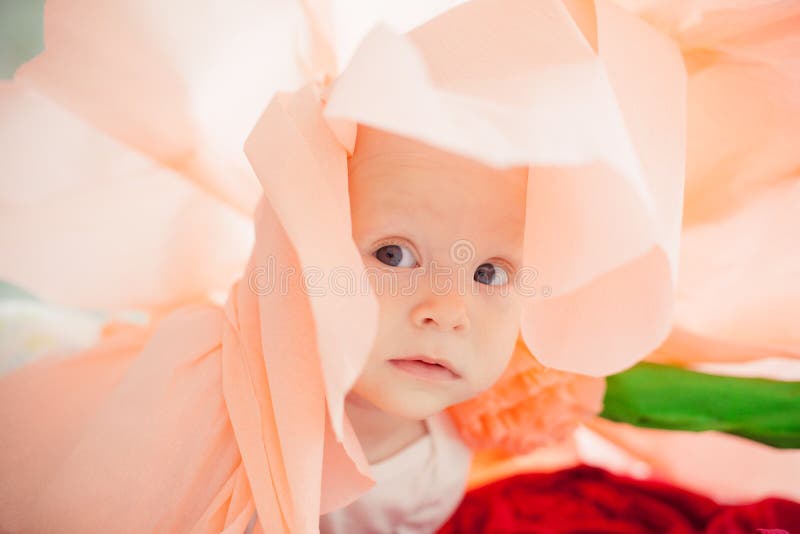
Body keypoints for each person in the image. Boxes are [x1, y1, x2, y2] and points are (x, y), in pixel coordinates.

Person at [0, 1, 685, 532]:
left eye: (489, 274)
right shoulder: (205, 406)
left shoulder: (449, 445)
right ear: (303, 247)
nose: (445, 309)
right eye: (393, 254)